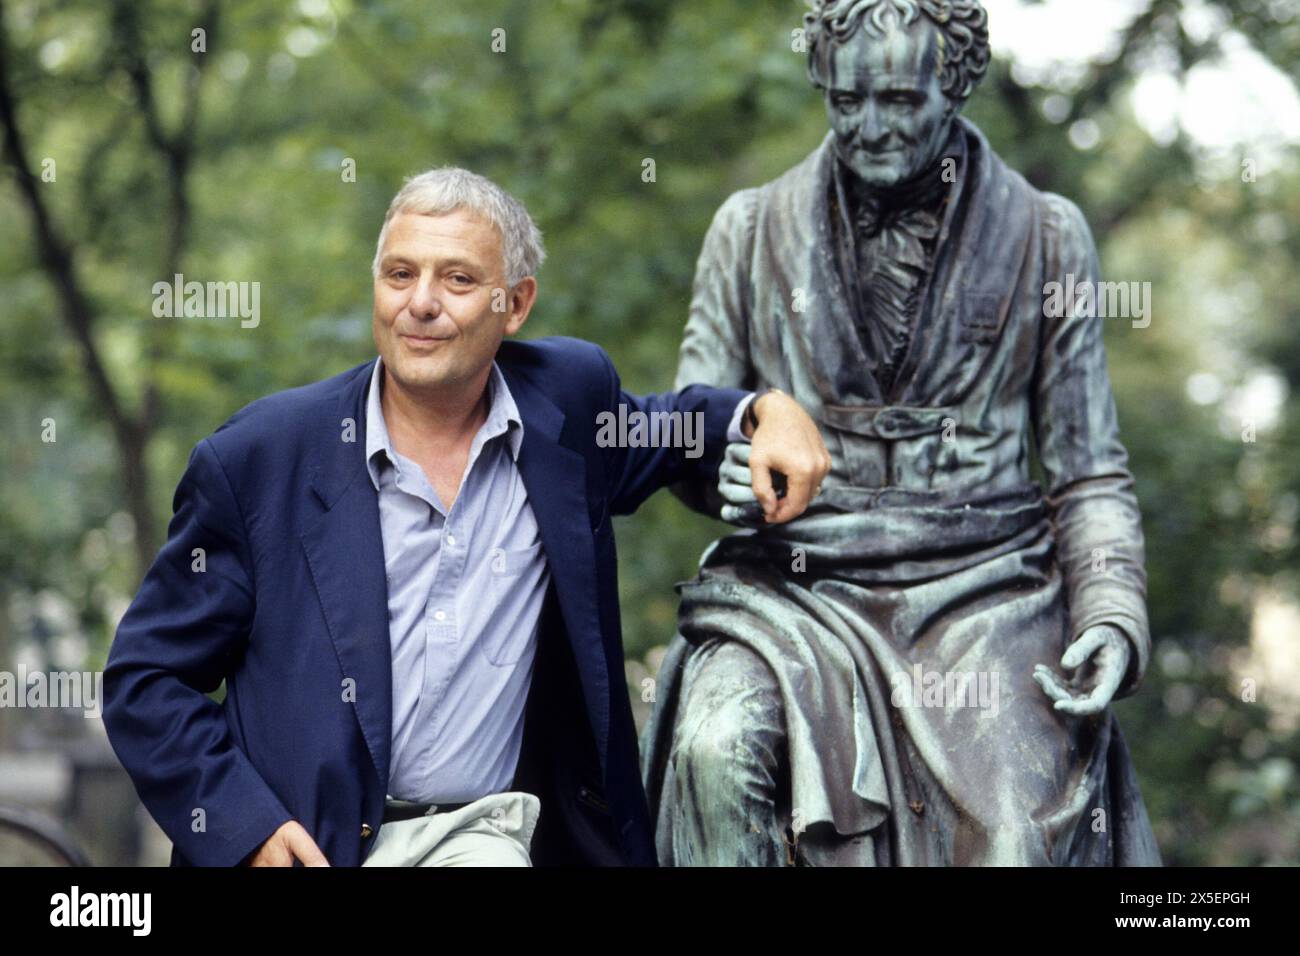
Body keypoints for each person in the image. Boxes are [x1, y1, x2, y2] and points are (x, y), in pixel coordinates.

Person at [102, 166, 830, 866]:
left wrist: (767, 411)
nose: (420, 302)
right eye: (399, 274)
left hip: (482, 837)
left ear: (513, 304)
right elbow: (146, 680)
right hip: (318, 842)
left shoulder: (567, 409)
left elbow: (671, 428)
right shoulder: (260, 461)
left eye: (457, 278)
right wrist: (246, 826)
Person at [641, 0, 1162, 866]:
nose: (871, 128)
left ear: (954, 84)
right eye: (848, 103)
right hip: (793, 590)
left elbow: (1089, 474)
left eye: (900, 101)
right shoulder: (748, 230)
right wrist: (722, 474)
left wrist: (1111, 614)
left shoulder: (1048, 236)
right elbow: (692, 429)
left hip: (987, 591)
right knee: (714, 750)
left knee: (1010, 836)